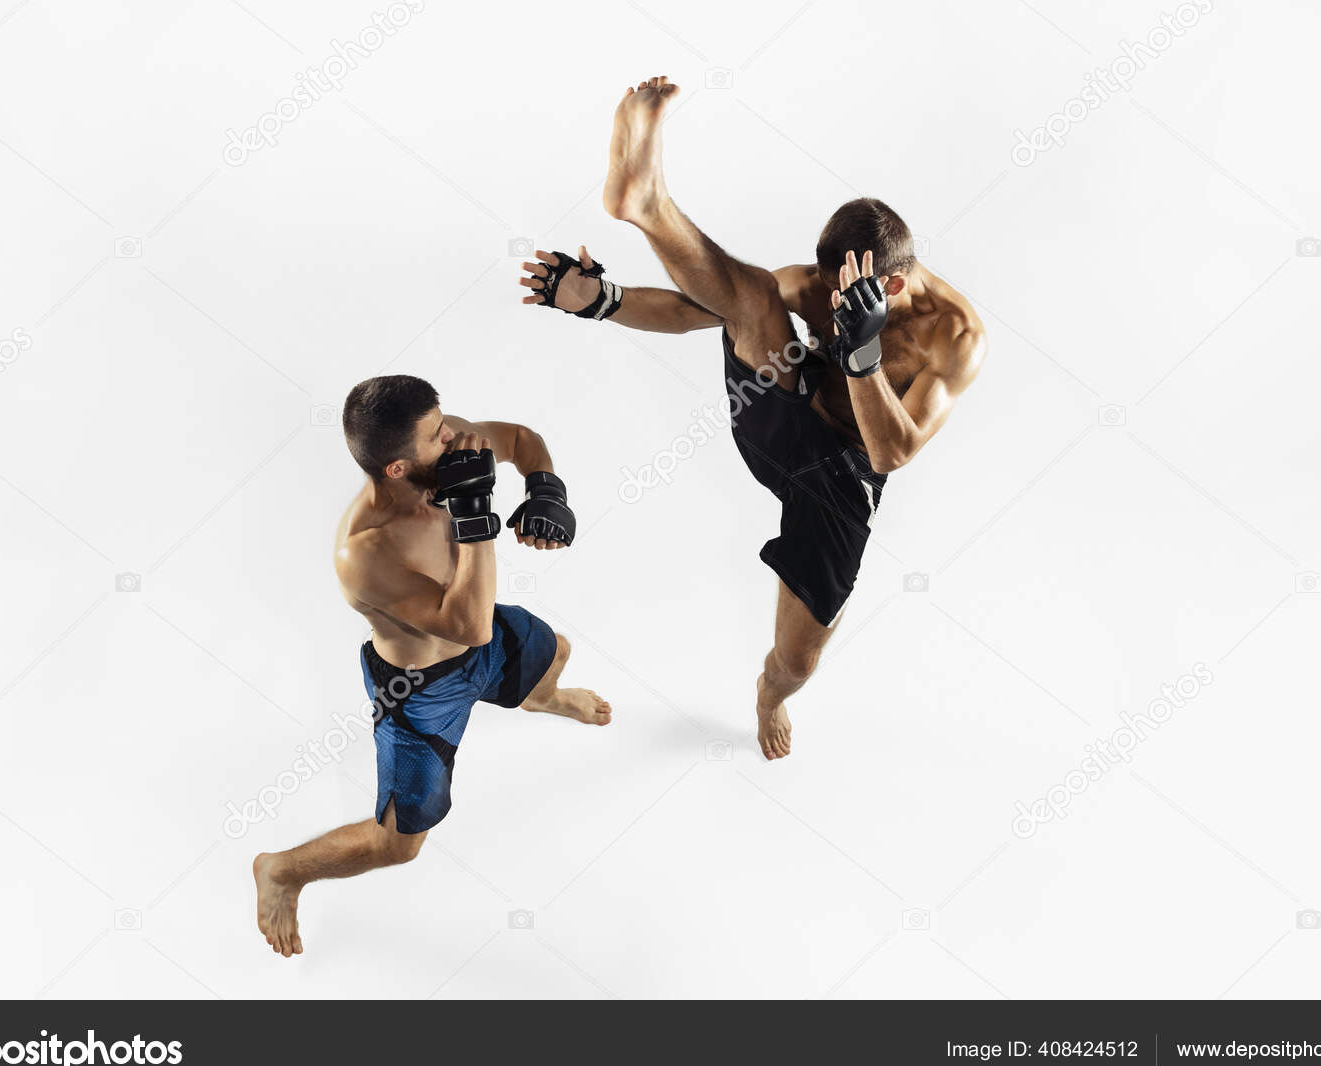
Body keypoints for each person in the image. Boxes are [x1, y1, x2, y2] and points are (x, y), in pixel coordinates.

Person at [520, 76, 985, 761]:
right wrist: (599, 300)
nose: (827, 297)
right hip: (776, 414)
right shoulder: (816, 284)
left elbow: (892, 452)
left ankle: (768, 698)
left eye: (843, 290)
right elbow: (698, 309)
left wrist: (861, 357)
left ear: (889, 283)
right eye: (824, 283)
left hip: (843, 477)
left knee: (796, 663)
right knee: (759, 295)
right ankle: (648, 205)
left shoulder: (956, 337)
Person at [253, 374, 611, 957]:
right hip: (421, 691)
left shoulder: (447, 453)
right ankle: (283, 870)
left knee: (557, 651)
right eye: (435, 435)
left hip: (484, 640)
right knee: (398, 846)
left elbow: (522, 438)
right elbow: (467, 625)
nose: (455, 437)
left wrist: (547, 490)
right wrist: (474, 509)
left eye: (444, 423)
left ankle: (542, 697)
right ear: (396, 468)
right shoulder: (364, 552)